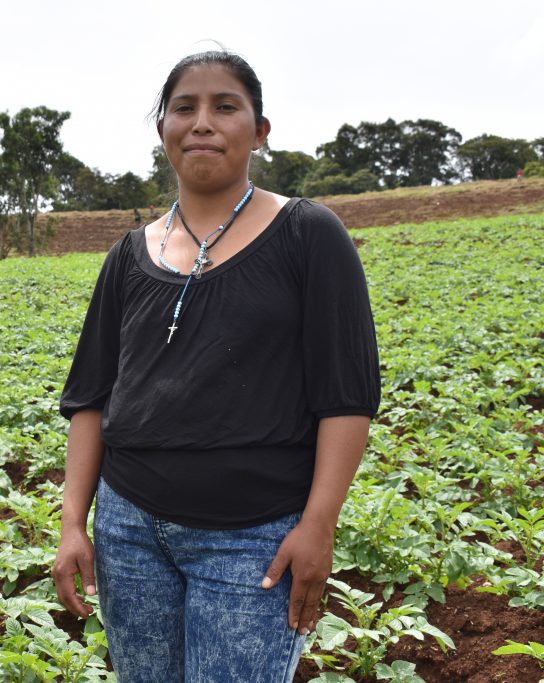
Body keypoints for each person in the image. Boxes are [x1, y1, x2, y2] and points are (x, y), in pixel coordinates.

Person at [52, 50, 380, 682]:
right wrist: (74, 522)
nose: (203, 122)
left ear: (259, 132)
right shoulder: (128, 254)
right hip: (129, 531)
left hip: (252, 536)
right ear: (163, 131)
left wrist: (318, 526)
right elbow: (91, 398)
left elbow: (346, 397)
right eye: (185, 108)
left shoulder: (308, 235)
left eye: (225, 107)